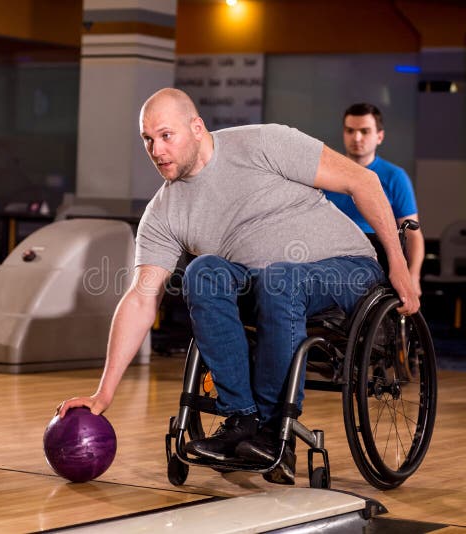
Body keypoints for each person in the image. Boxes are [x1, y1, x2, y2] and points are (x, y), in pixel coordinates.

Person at [58, 88, 419, 485]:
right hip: (269, 287)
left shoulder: (262, 143)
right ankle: (241, 419)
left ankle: (271, 430)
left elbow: (362, 182)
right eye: (147, 139)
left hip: (346, 271)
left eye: (166, 135)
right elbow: (142, 298)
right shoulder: (163, 213)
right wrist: (103, 393)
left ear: (196, 127)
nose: (156, 149)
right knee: (202, 273)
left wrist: (399, 267)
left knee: (280, 278)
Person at [324, 103, 424, 296]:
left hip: (375, 256)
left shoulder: (395, 176)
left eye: (364, 131)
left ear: (379, 136)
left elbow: (413, 233)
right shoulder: (327, 173)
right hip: (330, 254)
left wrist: (413, 276)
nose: (356, 138)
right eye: (350, 131)